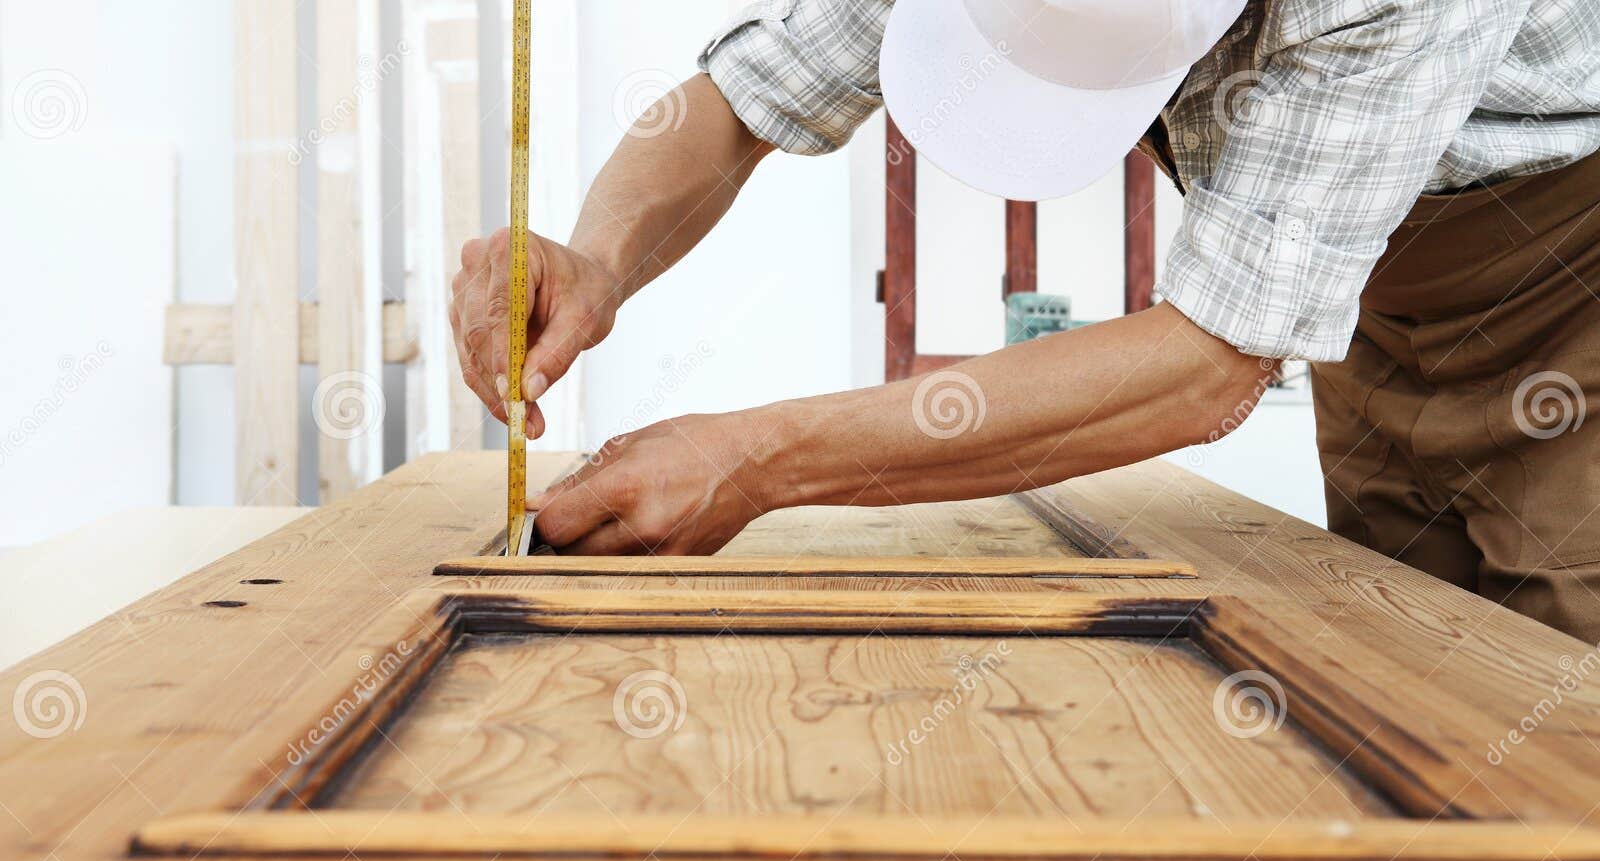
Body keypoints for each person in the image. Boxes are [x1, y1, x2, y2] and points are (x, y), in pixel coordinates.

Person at [449, 0, 1600, 640]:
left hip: (1569, 272)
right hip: (1381, 286)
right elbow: (748, 96)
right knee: (1405, 646)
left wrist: (754, 462)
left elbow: (1206, 364)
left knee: (1552, 703)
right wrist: (595, 257)